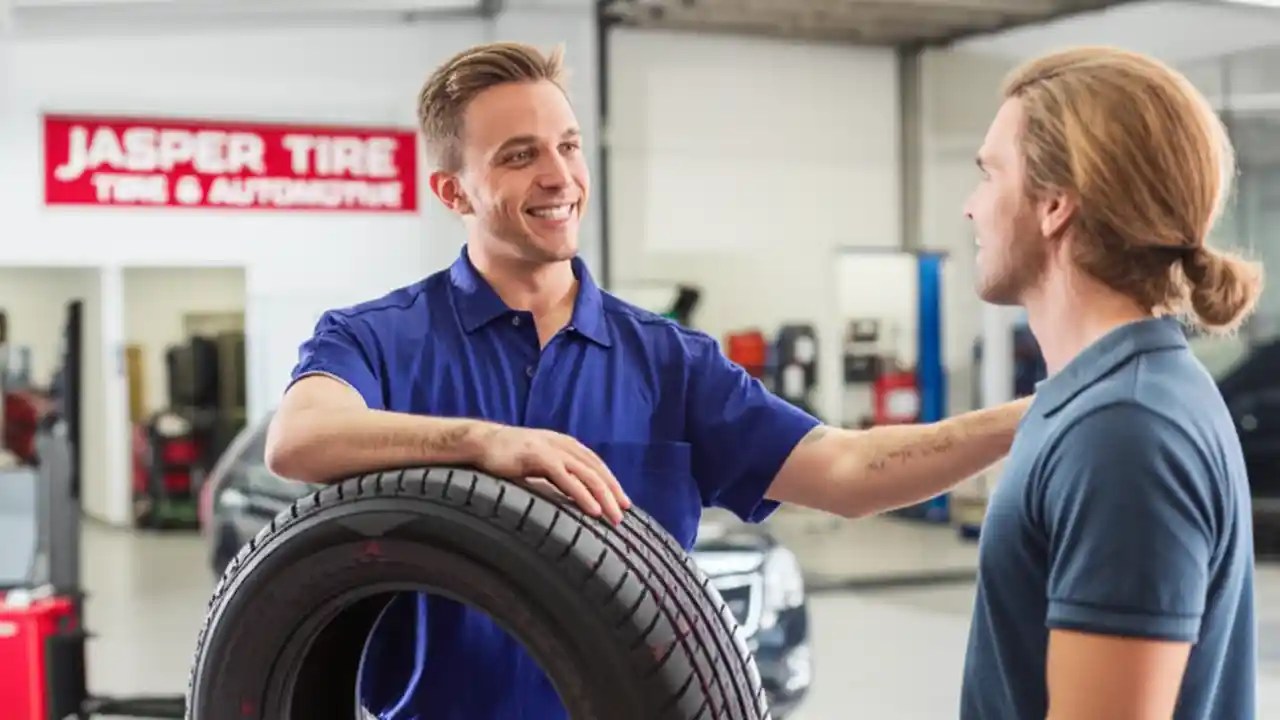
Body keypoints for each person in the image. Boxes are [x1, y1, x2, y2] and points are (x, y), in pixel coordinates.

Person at [266, 41, 1029, 720]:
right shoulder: (378, 338)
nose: (559, 176)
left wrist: (1037, 413)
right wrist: (482, 444)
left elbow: (849, 472)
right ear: (453, 191)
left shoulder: (669, 360)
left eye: (569, 146)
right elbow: (299, 439)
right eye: (519, 155)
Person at [960, 46, 1263, 720]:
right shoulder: (1102, 403)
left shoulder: (1123, 433)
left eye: (990, 174)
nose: (971, 208)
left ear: (1055, 205)